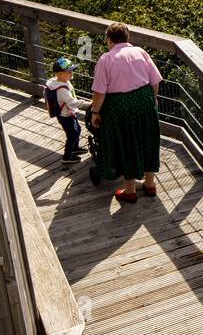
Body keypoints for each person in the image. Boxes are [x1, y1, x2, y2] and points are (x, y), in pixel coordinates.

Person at [90, 22, 164, 204]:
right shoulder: (141, 52)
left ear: (109, 39)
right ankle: (150, 184)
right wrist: (152, 100)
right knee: (148, 139)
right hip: (145, 100)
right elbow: (155, 82)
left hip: (120, 105)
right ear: (127, 37)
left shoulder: (105, 59)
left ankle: (130, 191)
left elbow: (99, 92)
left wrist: (95, 112)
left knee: (127, 142)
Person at [45, 57, 87, 163]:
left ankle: (75, 148)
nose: (71, 73)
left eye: (71, 70)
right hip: (65, 116)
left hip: (69, 112)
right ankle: (67, 156)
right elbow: (72, 102)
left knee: (77, 130)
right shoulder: (61, 89)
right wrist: (88, 105)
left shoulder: (64, 82)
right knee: (72, 134)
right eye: (68, 71)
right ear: (59, 74)